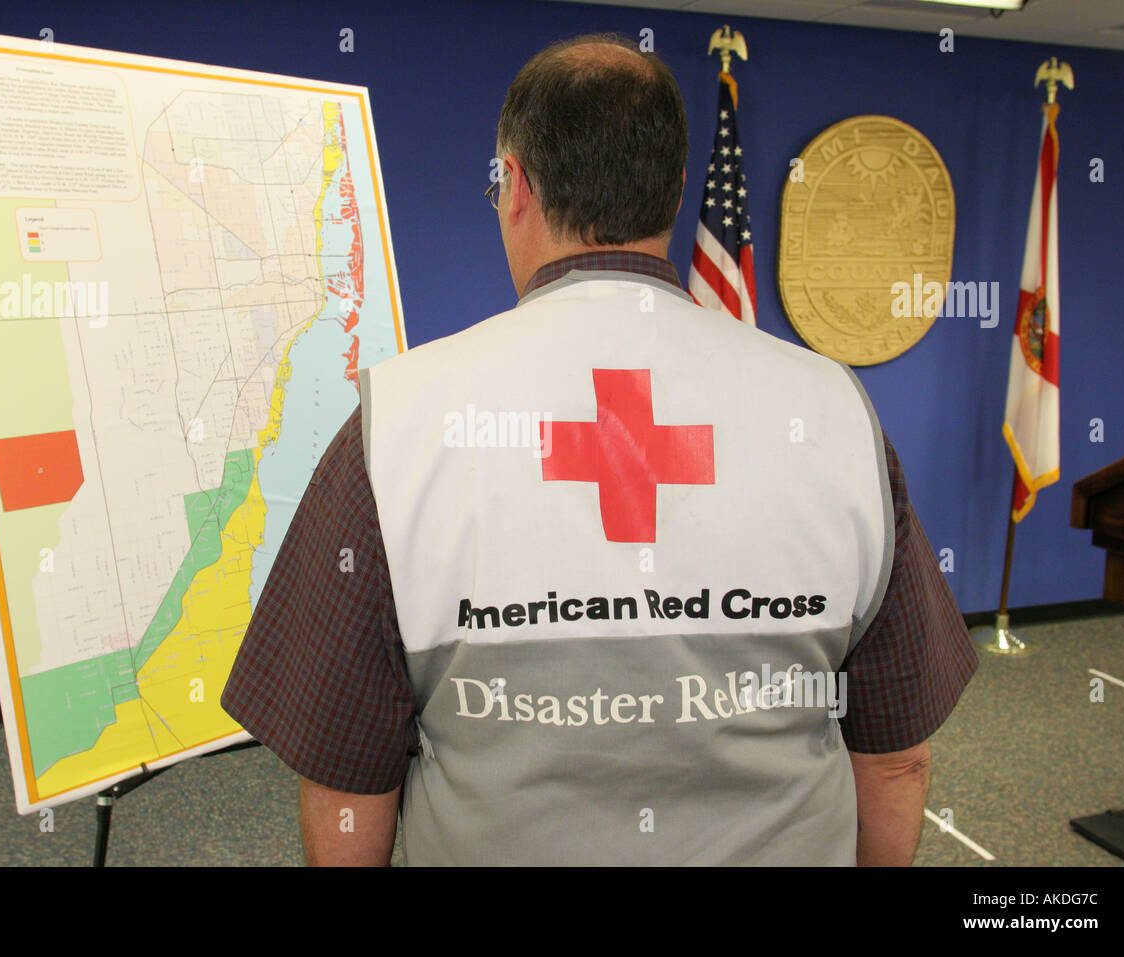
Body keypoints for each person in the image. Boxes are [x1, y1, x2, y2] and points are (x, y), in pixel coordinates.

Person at [221, 33, 978, 866]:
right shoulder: (837, 411)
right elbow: (896, 756)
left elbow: (346, 782)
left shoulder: (394, 424)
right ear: (676, 189)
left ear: (513, 186)